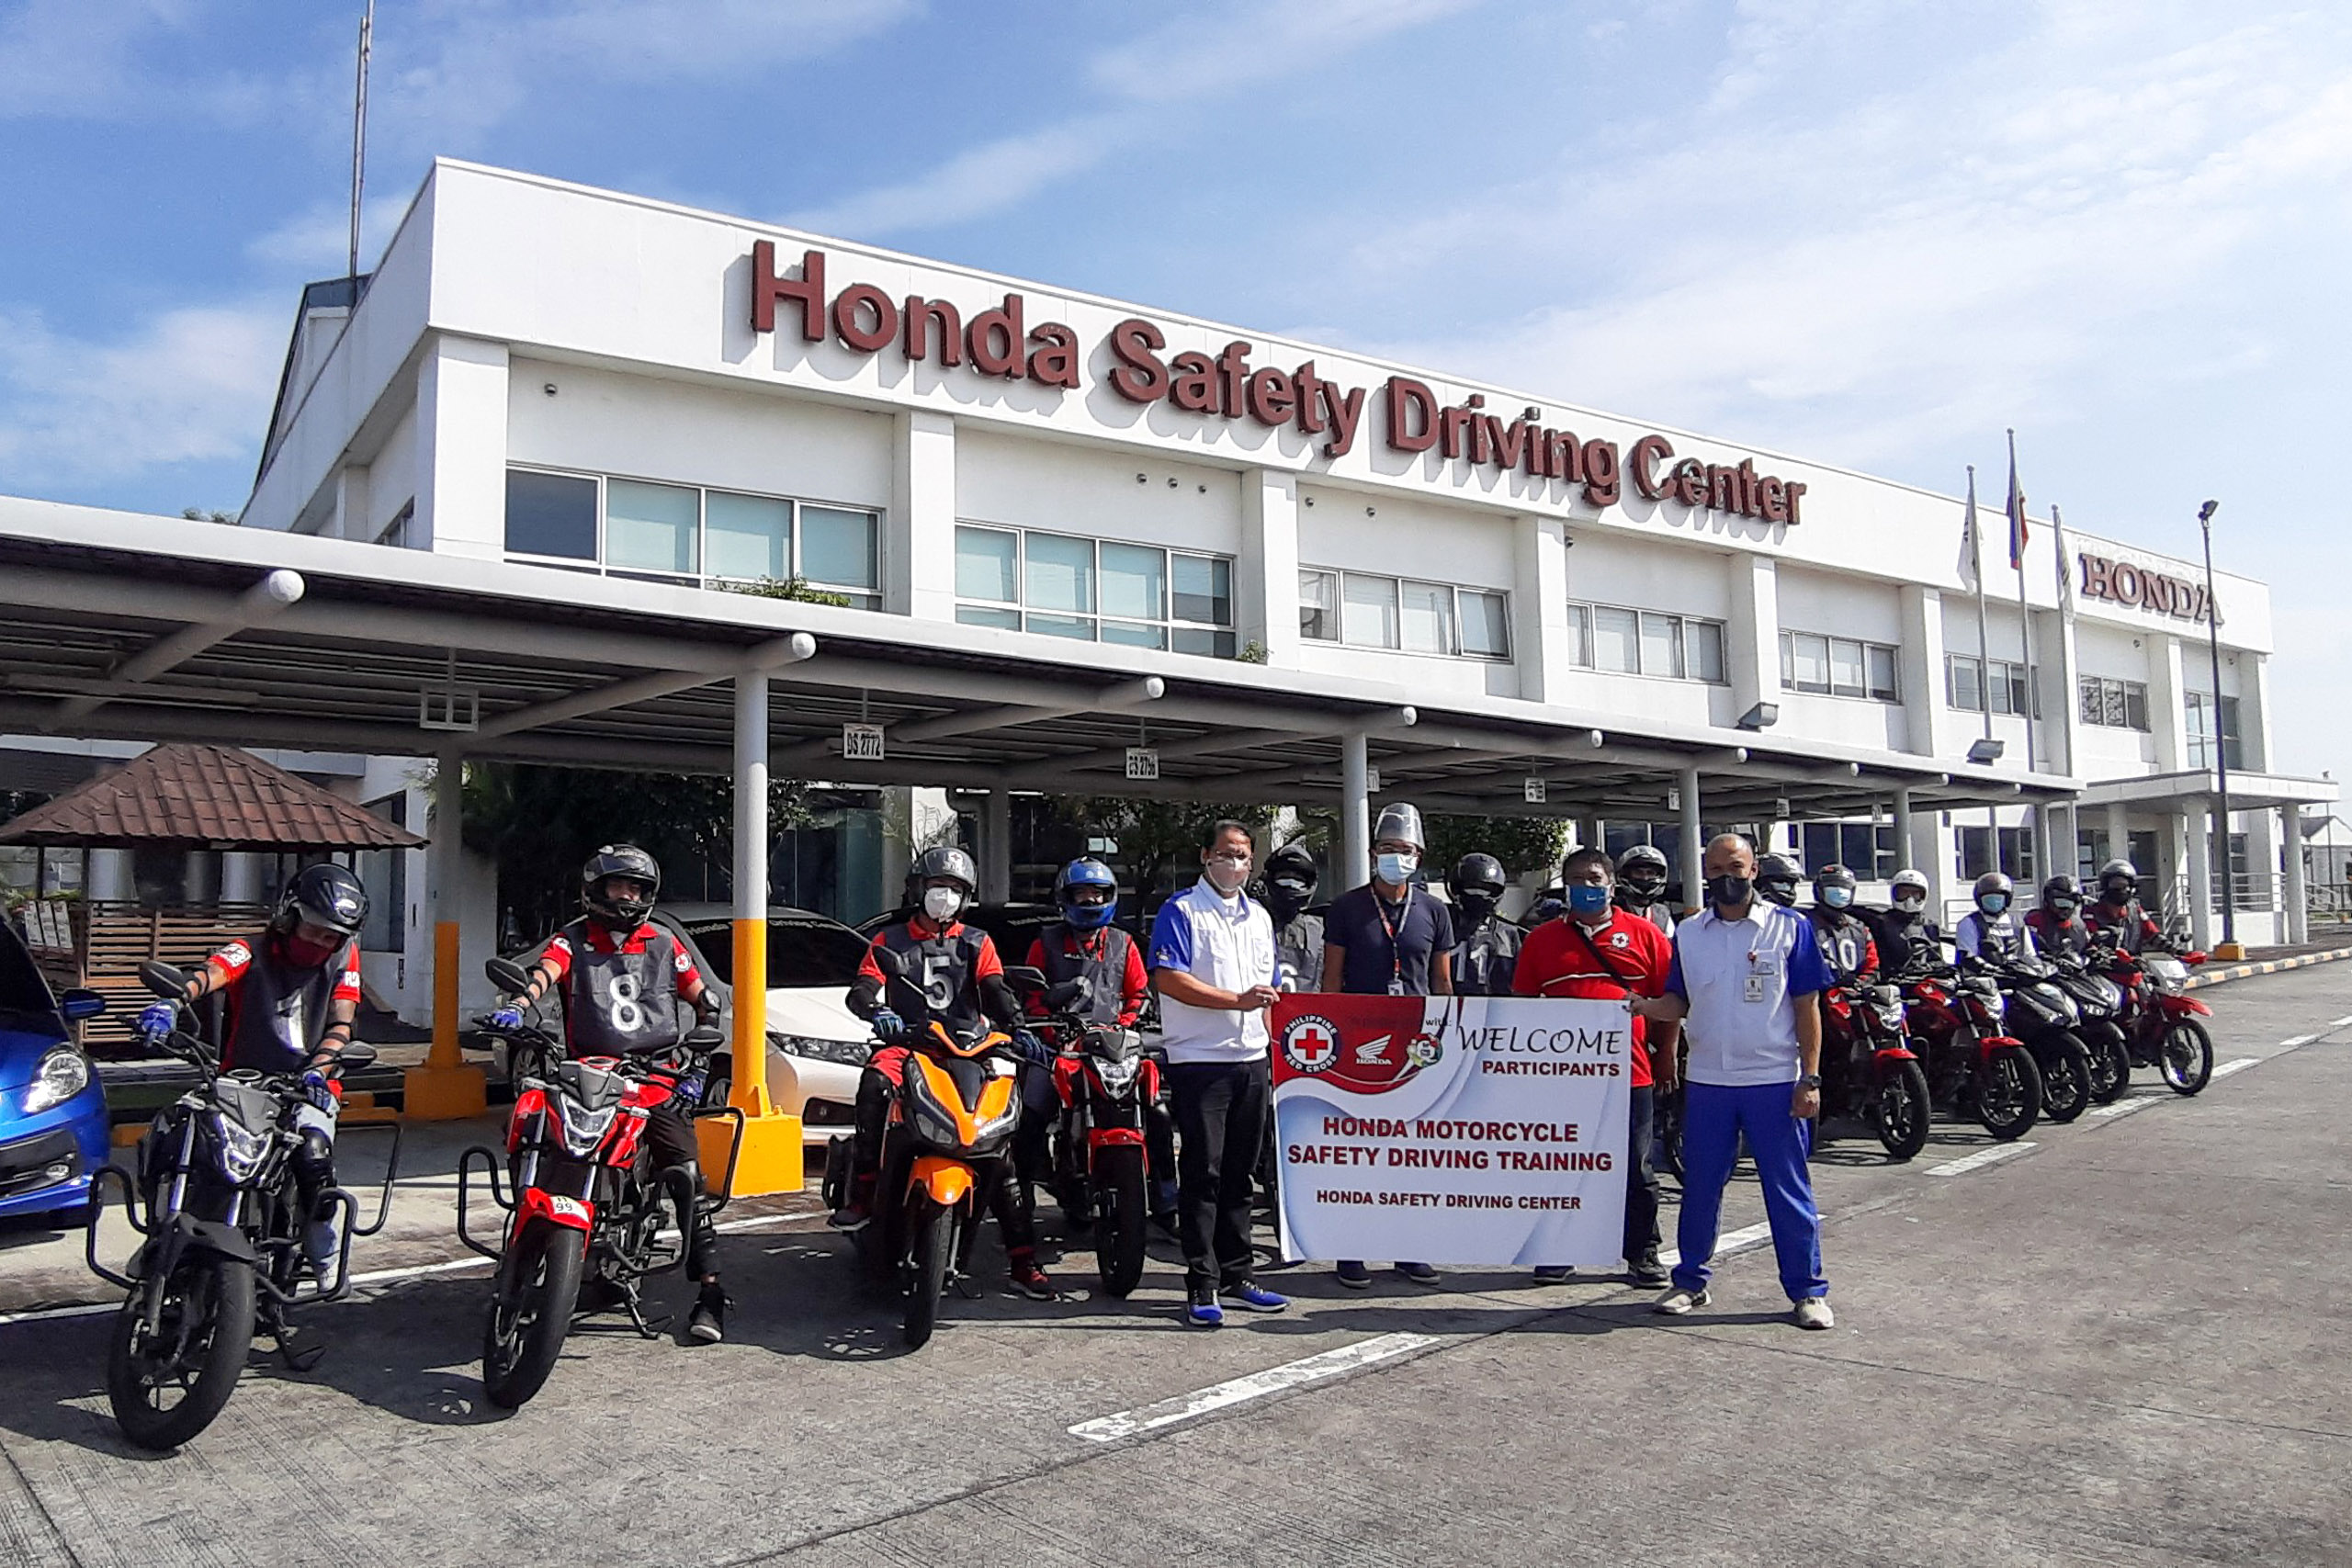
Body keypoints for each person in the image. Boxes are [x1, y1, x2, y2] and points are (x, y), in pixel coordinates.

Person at [489, 845, 731, 1342]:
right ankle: (530, 1243)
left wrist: (696, 1066)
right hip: (584, 1074)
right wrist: (517, 1006)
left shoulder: (665, 943)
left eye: (638, 889)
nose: (628, 896)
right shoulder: (572, 940)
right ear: (596, 890)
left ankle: (710, 1292)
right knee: (537, 1133)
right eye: (620, 886)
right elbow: (543, 974)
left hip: (655, 1078)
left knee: (687, 1176)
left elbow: (705, 1005)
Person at [831, 845, 1057, 1302]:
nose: (944, 897)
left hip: (969, 1053)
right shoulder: (889, 941)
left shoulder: (978, 942)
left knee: (998, 1146)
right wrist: (877, 1012)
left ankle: (1022, 1259)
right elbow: (863, 990)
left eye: (954, 890)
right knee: (874, 1083)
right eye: (938, 887)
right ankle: (863, 1193)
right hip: (909, 1048)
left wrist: (1016, 1026)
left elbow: (995, 989)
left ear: (966, 897)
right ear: (918, 889)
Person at [1632, 833, 1837, 1330]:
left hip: (1774, 1080)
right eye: (1717, 868)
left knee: (1787, 1190)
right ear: (1704, 872)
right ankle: (1689, 1282)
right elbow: (1677, 1003)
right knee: (1701, 1186)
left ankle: (1808, 1292)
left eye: (1737, 867)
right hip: (1707, 1082)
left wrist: (1809, 1078)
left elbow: (1807, 1009)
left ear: (1754, 870)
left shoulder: (1789, 928)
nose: (1728, 877)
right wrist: (1636, 1007)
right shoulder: (1690, 933)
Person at [138, 863, 370, 1293]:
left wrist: (320, 1072)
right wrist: (171, 1004)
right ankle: (160, 1231)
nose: (325, 942)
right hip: (239, 1083)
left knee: (314, 1153)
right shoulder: (252, 948)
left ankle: (324, 1259)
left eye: (335, 935)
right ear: (289, 914)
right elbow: (211, 973)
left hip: (308, 1088)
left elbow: (343, 1021)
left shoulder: (344, 956)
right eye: (317, 929)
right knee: (176, 1131)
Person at [1511, 846, 1678, 1288]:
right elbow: (1524, 1009)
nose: (1585, 887)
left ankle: (1642, 1252)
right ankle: (1559, 1250)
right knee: (1561, 1165)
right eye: (1576, 880)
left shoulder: (1646, 936)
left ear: (1610, 884)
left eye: (1594, 879)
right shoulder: (1541, 940)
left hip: (1631, 1074)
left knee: (1635, 1169)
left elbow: (1669, 1005)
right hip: (1561, 1079)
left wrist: (1667, 1056)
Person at [1148, 819, 1290, 1327]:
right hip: (1200, 1060)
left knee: (1239, 1173)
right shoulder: (1182, 911)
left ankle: (1238, 1273)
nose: (1236, 863)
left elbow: (1269, 992)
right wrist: (1235, 1000)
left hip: (1251, 1059)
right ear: (1206, 855)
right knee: (1203, 1171)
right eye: (1227, 853)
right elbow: (1169, 978)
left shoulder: (1259, 918)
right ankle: (1200, 1283)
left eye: (1244, 856)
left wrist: (1274, 1051)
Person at [1322, 801, 1453, 1287]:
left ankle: (1409, 1247)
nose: (1396, 857)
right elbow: (1331, 980)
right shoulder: (1347, 908)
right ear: (1373, 853)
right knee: (1360, 1147)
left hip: (1416, 1044)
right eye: (1387, 849)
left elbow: (1441, 982)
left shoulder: (1435, 911)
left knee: (1412, 1150)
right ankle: (1351, 1250)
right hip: (1360, 1041)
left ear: (1419, 856)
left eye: (1405, 850)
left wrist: (1452, 1032)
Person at [1024, 858, 1173, 1226]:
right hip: (1060, 1047)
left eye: (1098, 893)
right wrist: (1049, 1032)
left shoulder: (1124, 943)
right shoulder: (1045, 942)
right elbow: (1030, 997)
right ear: (1066, 897)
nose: (1090, 900)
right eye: (1082, 893)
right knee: (1031, 1112)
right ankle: (1022, 1198)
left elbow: (1139, 995)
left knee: (1157, 1112)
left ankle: (1166, 1200)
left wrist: (1122, 1026)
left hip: (1114, 1048)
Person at [1448, 852, 1524, 997]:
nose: (1478, 896)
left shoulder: (1509, 934)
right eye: (1471, 888)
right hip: (1448, 1010)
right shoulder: (1442, 925)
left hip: (1496, 1012)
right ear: (1456, 889)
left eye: (1486, 890)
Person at [1261, 841, 1326, 994]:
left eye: (1298, 878)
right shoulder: (1251, 923)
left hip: (1307, 1016)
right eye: (1284, 876)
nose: (1291, 883)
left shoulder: (1321, 930)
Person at [1805, 863, 1880, 984]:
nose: (1839, 892)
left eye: (1844, 888)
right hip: (1816, 995)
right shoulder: (1804, 924)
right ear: (1818, 890)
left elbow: (1872, 966)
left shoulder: (1859, 928)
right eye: (1832, 887)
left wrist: (1860, 984)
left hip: (1855, 996)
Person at [1868, 868, 1945, 972]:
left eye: (1915, 894)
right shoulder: (1880, 923)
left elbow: (1937, 960)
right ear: (1894, 893)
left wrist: (1929, 967)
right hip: (1892, 982)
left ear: (1923, 896)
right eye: (1904, 893)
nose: (1909, 899)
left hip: (1924, 980)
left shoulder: (1930, 926)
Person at [1953, 871, 2038, 962]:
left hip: (2017, 973)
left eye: (1998, 898)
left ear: (2008, 899)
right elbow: (1969, 956)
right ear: (1979, 900)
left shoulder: (2018, 923)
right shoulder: (1969, 923)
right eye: (1989, 899)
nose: (1994, 902)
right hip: (1984, 974)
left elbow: (2029, 954)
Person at [2086, 859, 2164, 954]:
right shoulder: (2091, 912)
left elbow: (2152, 933)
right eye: (2116, 885)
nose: (2120, 890)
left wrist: (2172, 948)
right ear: (2105, 886)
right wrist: (2096, 949)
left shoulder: (2135, 911)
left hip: (2134, 965)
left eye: (2125, 885)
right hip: (2103, 966)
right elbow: (2089, 939)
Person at [1614, 844, 1677, 937]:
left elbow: (1670, 947)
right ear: (1625, 875)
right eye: (1639, 873)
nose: (1645, 878)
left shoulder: (1662, 914)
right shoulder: (1612, 911)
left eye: (1650, 873)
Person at [2026, 874, 2095, 958]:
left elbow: (2087, 948)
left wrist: (2094, 951)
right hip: (2045, 969)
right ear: (2048, 901)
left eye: (2072, 903)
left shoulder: (2079, 925)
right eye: (2061, 903)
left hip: (2076, 969)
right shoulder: (2035, 920)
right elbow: (2026, 951)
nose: (2066, 909)